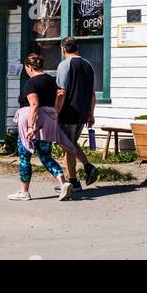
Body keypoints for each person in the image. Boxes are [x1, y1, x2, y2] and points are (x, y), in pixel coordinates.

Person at [9, 52, 76, 202]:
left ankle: (24, 191)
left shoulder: (31, 83)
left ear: (29, 67)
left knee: (24, 156)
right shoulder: (51, 81)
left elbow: (34, 104)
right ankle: (63, 183)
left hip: (31, 122)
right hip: (48, 122)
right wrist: (56, 111)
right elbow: (61, 93)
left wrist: (31, 127)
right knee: (45, 156)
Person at [55, 36, 99, 192]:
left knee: (68, 147)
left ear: (63, 49)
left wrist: (56, 112)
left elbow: (61, 92)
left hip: (68, 112)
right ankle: (88, 168)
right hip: (82, 113)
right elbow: (93, 94)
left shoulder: (64, 65)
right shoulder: (88, 65)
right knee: (72, 143)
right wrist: (91, 114)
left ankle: (73, 182)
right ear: (77, 47)